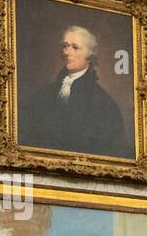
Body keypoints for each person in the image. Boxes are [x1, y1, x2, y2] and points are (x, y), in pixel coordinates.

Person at [19, 25, 131, 159]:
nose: (67, 52)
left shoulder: (103, 103)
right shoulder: (45, 93)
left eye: (75, 47)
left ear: (90, 56)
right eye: (65, 46)